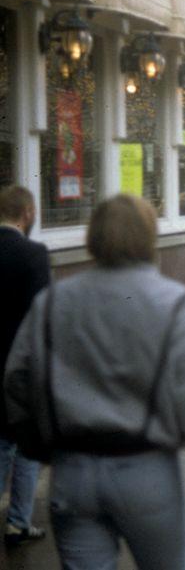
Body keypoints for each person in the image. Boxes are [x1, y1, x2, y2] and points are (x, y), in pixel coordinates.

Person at [4, 194, 185, 569]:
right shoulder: (176, 305)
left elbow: (17, 379)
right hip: (147, 474)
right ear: (149, 238)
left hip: (73, 473)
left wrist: (42, 446)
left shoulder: (52, 303)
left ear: (92, 238)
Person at [0, 186, 49, 545]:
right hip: (22, 367)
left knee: (1, 444)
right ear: (27, 213)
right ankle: (17, 521)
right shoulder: (34, 254)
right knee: (26, 445)